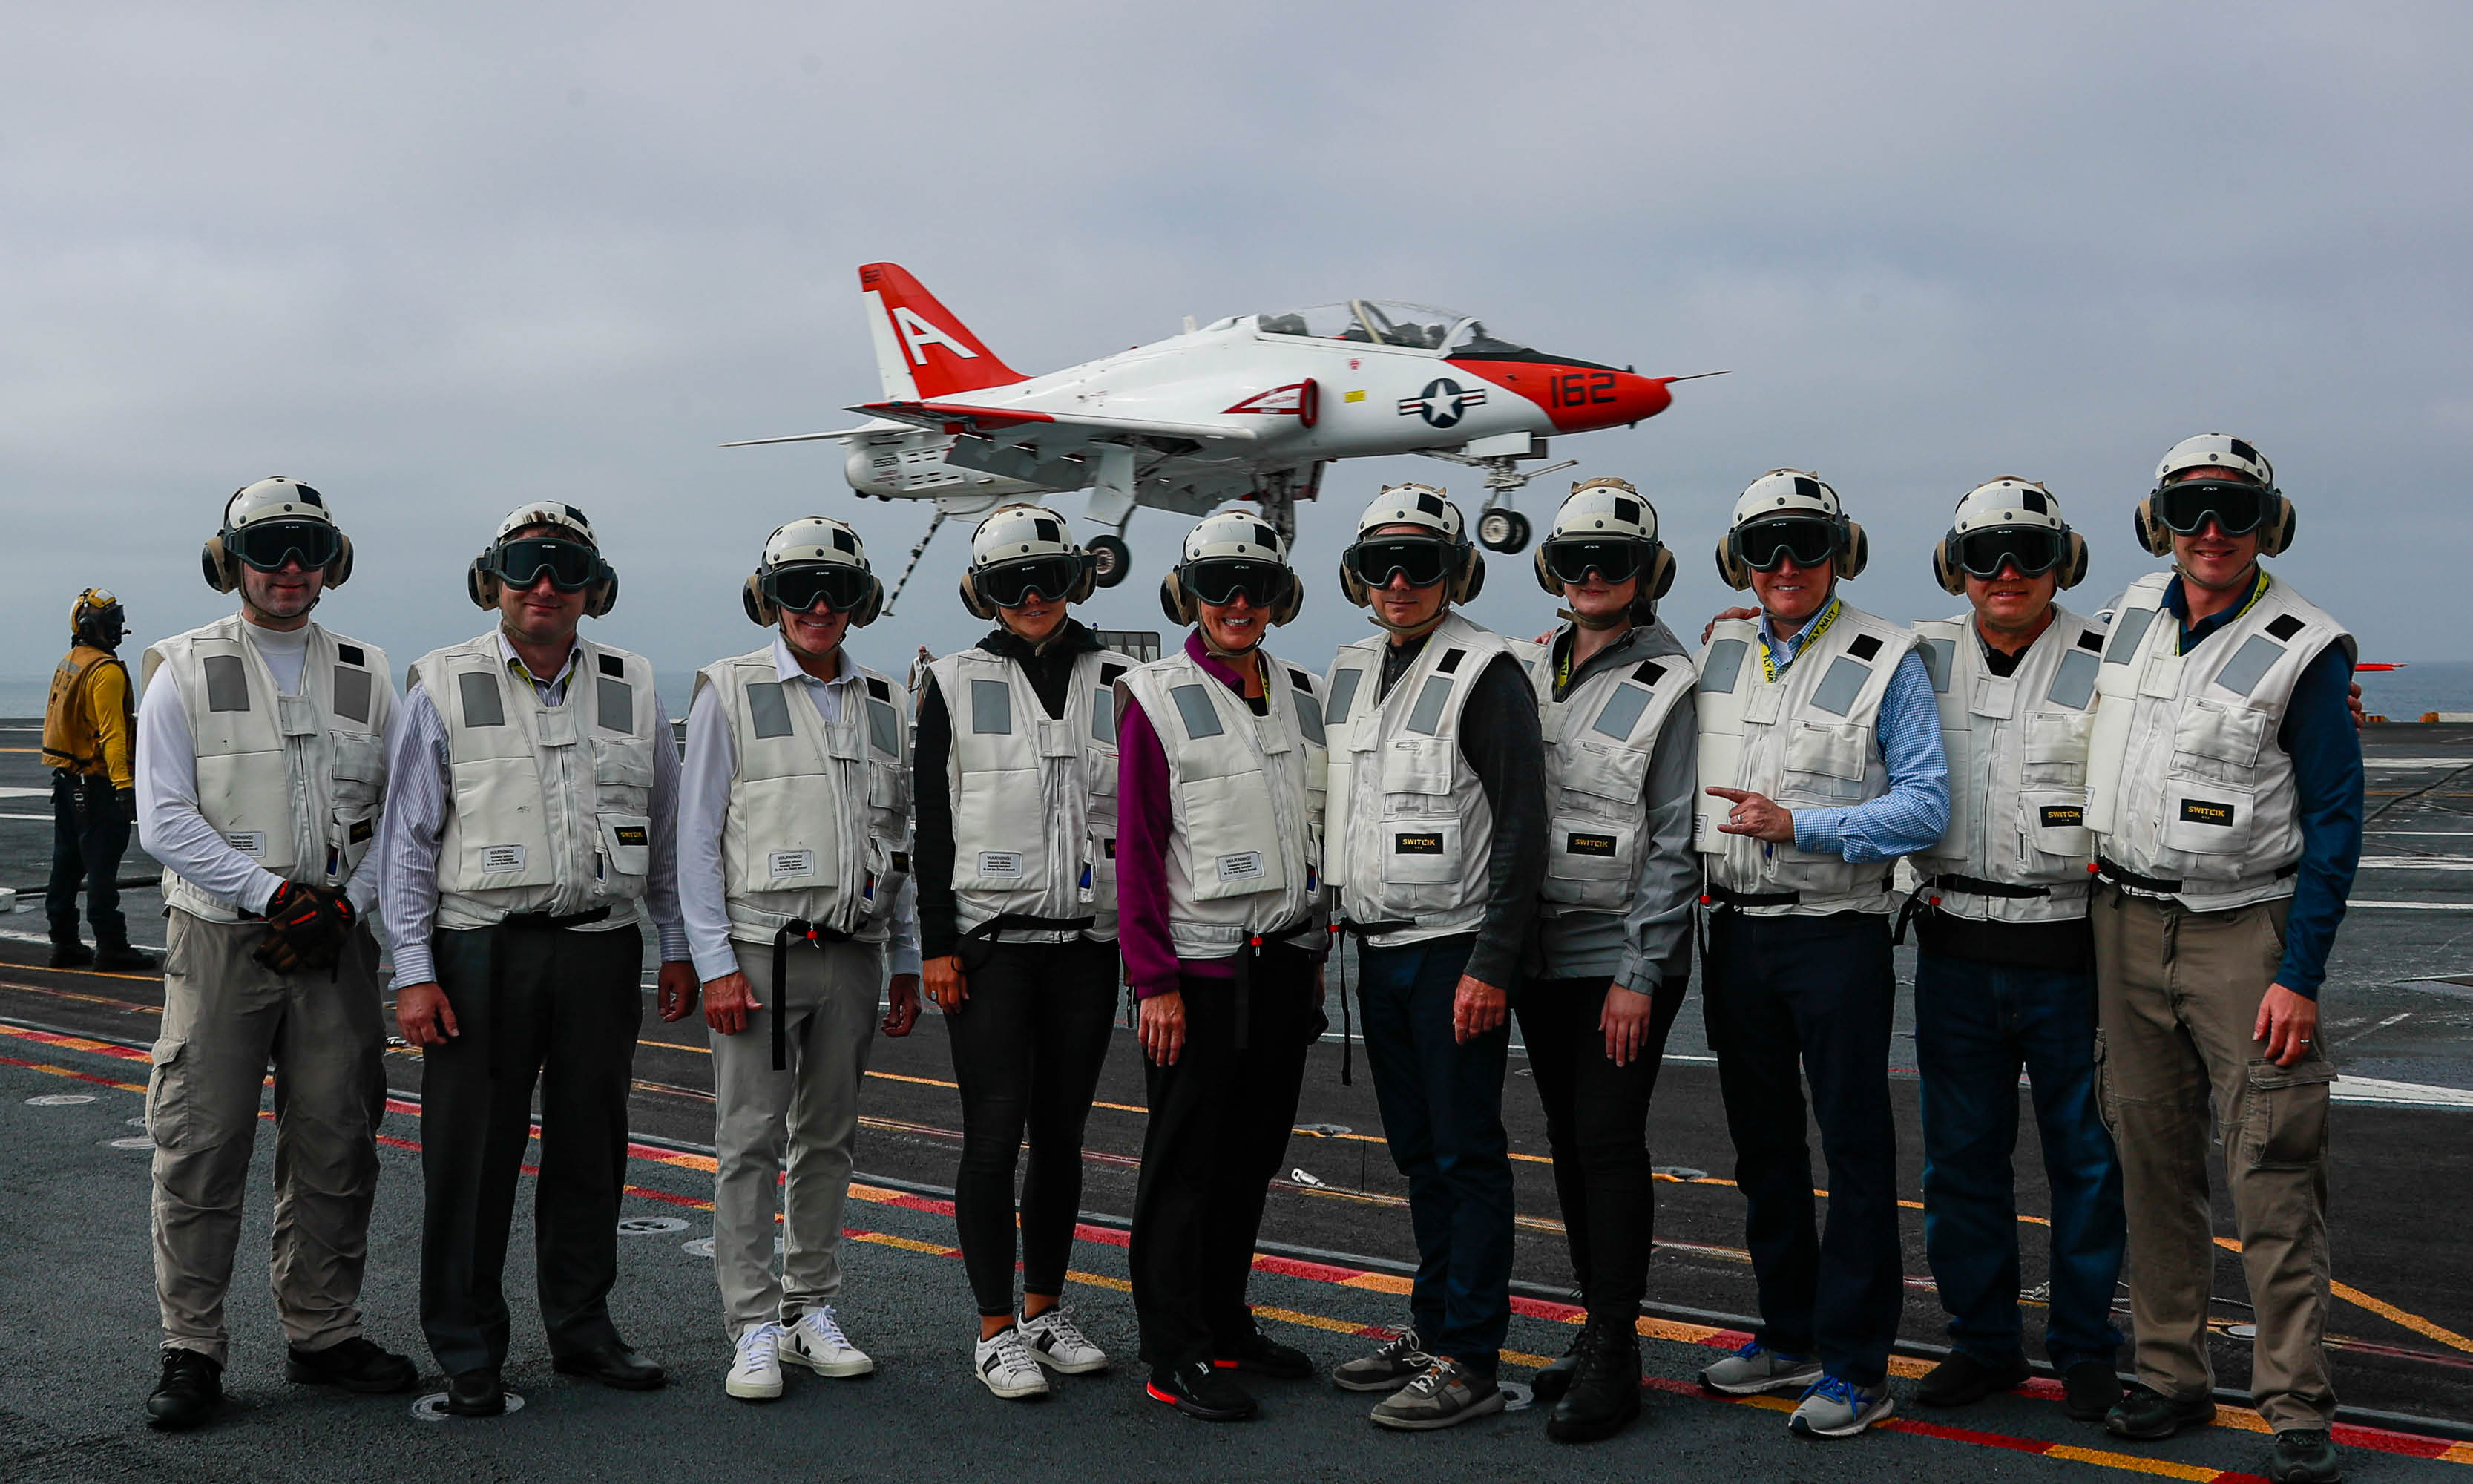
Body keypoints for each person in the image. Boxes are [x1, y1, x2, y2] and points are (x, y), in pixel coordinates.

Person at [2080, 435, 2362, 1484]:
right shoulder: (2120, 624)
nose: (2210, 532)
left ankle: (2293, 1401)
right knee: (2150, 1158)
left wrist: (2300, 972)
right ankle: (2167, 1372)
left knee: (2273, 1167)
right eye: (2190, 510)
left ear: (2266, 524)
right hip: (2121, 919)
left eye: (2232, 512)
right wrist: (1752, 619)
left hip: (2243, 932)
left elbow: (2336, 819)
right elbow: (1992, 639)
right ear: (2158, 519)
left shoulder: (2304, 645)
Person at [379, 502, 697, 1418]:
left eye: (565, 566)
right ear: (494, 580)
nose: (545, 585)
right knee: (470, 1155)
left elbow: (667, 832)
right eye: (525, 566)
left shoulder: (634, 684)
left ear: (595, 585)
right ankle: (469, 1347)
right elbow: (406, 842)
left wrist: (674, 945)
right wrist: (413, 968)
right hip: (479, 950)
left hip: (602, 949)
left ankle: (583, 1328)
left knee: (591, 1150)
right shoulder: (442, 681)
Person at [132, 478, 415, 1429]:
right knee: (202, 1142)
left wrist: (341, 904)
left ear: (333, 559)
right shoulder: (182, 666)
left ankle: (323, 1329)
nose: (289, 566)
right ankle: (192, 1345)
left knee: (336, 1139)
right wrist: (274, 894)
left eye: (307, 546)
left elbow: (397, 820)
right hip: (221, 936)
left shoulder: (373, 673)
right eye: (268, 546)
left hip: (334, 941)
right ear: (230, 561)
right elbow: (163, 817)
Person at [1690, 470, 1948, 1439]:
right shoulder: (1720, 646)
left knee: (1853, 1150)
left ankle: (1857, 1365)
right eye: (1766, 547)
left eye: (1804, 543)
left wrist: (1800, 823)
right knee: (1763, 1152)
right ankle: (1787, 1334)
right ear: (1740, 561)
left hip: (1836, 936)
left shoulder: (1888, 657)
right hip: (1738, 934)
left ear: (1839, 551)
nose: (1785, 564)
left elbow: (1926, 806)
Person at [677, 518, 925, 1401]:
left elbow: (896, 839)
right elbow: (696, 838)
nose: (818, 606)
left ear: (860, 601)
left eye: (835, 590)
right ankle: (750, 1321)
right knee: (747, 1139)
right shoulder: (731, 690)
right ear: (769, 597)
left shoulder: (891, 703)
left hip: (853, 952)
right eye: (799, 589)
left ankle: (808, 1306)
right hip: (760, 949)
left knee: (828, 1138)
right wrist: (714, 963)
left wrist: (903, 956)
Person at [1899, 479, 2126, 1422]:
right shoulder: (1911, 656)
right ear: (1956, 563)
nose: (2006, 572)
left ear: (2061, 562)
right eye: (1986, 552)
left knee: (2086, 1161)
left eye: (2028, 552)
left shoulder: (2113, 657)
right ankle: (1985, 1343)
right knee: (1960, 1163)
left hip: (2069, 949)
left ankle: (2084, 1349)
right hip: (1952, 948)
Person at [1321, 484, 1546, 1431]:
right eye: (1382, 564)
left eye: (1422, 563)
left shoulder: (1487, 668)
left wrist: (1492, 964)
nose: (1401, 580)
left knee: (1465, 1153)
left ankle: (1473, 1356)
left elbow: (1525, 825)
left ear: (1457, 570)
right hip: (1377, 952)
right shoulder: (1350, 666)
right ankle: (1434, 1325)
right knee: (1420, 1154)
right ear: (1359, 576)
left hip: (1454, 950)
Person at [914, 505, 1133, 1400]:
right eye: (1012, 583)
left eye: (1047, 577)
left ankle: (1045, 1308)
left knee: (1065, 1137)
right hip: (992, 948)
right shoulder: (951, 680)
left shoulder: (1125, 677)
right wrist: (937, 944)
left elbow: (1151, 820)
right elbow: (931, 820)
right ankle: (996, 1327)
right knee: (994, 1136)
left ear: (1077, 579)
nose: (1034, 595)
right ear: (987, 592)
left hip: (1088, 947)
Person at [1117, 511, 1328, 1422]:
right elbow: (1136, 847)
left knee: (1251, 1161)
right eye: (1218, 586)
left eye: (1254, 585)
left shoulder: (1302, 690)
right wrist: (1154, 978)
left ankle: (1227, 1319)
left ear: (1279, 596)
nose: (1236, 602)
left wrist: (1313, 949)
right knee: (1184, 1168)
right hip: (1197, 976)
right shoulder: (1153, 695)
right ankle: (1175, 1349)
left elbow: (1312, 831)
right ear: (1188, 593)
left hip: (1281, 964)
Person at [1502, 479, 1699, 1443]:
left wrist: (1640, 971)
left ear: (1644, 574)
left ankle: (1618, 1350)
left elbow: (1675, 841)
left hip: (1620, 961)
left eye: (1611, 562)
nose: (1591, 574)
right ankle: (1593, 1328)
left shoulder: (1675, 683)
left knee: (1610, 1146)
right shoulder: (1531, 667)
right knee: (1572, 1148)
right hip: (1540, 959)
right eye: (1576, 559)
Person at [45, 587, 151, 970]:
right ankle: (111, 945)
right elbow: (112, 733)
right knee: (102, 871)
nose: (119, 628)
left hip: (68, 783)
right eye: (113, 622)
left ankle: (65, 942)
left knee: (67, 866)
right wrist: (124, 787)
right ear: (93, 626)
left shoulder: (72, 661)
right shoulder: (105, 671)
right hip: (98, 786)